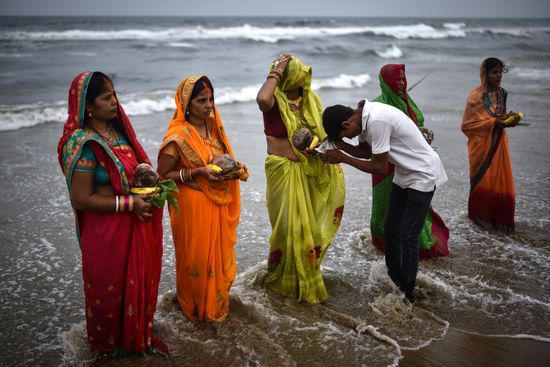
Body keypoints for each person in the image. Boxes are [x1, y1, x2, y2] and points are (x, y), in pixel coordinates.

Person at [57, 72, 166, 356]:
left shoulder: (119, 134)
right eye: (107, 98)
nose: (115, 102)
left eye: (115, 95)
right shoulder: (82, 143)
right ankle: (108, 349)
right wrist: (128, 205)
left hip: (133, 225)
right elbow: (81, 198)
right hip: (105, 233)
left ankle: (136, 335)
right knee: (109, 291)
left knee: (135, 286)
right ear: (88, 106)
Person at [322, 99, 447, 303]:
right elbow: (365, 152)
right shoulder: (362, 118)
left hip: (423, 172)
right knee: (390, 227)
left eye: (346, 135)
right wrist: (341, 146)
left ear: (346, 124)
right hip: (405, 171)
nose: (350, 138)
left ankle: (408, 292)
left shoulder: (377, 120)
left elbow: (379, 168)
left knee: (408, 234)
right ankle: (396, 280)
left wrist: (343, 158)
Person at [256, 54, 345, 304]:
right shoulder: (275, 101)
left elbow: (323, 133)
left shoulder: (310, 101)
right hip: (283, 173)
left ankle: (305, 276)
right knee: (288, 229)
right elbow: (262, 98)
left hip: (309, 172)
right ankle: (283, 280)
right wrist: (276, 70)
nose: (303, 76)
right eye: (298, 71)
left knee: (309, 229)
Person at [157, 76, 242, 322]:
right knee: (196, 263)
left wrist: (236, 169)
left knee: (219, 262)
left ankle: (215, 309)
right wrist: (196, 172)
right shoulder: (178, 136)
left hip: (217, 203)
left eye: (211, 99)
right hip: (192, 206)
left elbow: (222, 159)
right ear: (186, 104)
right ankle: (194, 312)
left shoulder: (214, 126)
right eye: (201, 100)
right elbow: (161, 174)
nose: (208, 105)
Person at [371, 64, 449, 258]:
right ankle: (387, 247)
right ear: (386, 82)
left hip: (411, 166)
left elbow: (416, 126)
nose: (401, 83)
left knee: (411, 210)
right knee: (385, 208)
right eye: (396, 79)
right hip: (386, 166)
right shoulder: (378, 106)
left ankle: (413, 249)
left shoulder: (408, 102)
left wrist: (423, 134)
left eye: (403, 79)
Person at [461, 58, 519, 233]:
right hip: (481, 148)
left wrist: (509, 120)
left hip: (499, 143)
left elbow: (499, 117)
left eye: (500, 72)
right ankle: (480, 221)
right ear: (484, 74)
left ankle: (500, 223)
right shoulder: (475, 97)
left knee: (501, 181)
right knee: (483, 181)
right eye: (494, 72)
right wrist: (494, 123)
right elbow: (467, 125)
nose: (498, 76)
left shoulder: (503, 94)